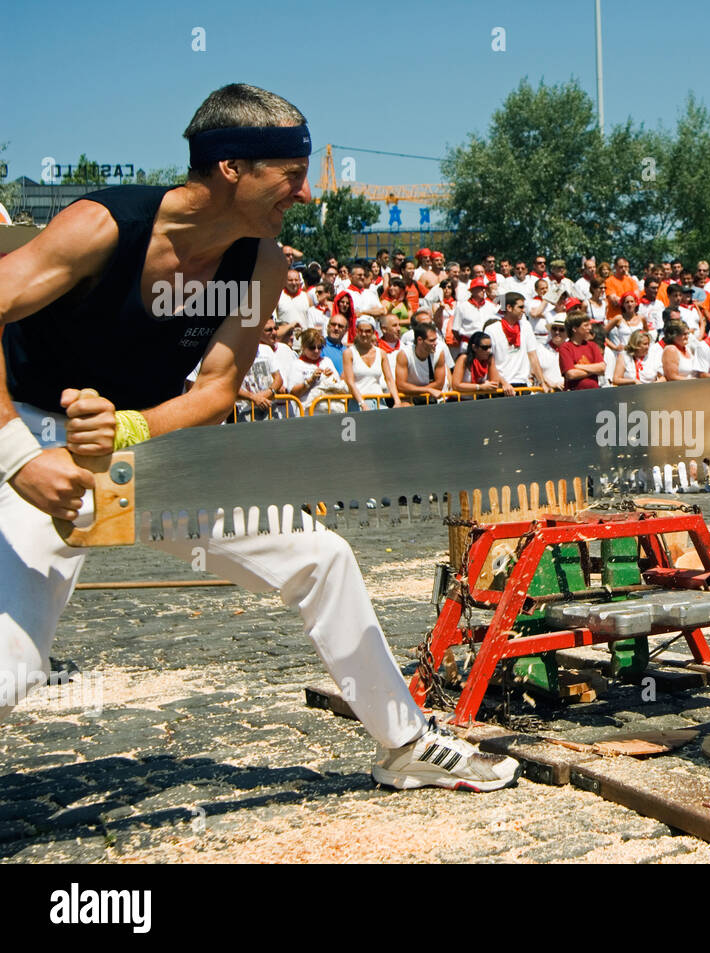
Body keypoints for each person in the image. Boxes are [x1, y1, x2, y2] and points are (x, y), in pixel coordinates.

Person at [0, 83, 517, 792]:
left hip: (141, 449)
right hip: (31, 435)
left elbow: (214, 393)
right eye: (292, 175)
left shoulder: (263, 265)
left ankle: (405, 744)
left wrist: (125, 427)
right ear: (231, 167)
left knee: (321, 555)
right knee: (13, 669)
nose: (304, 193)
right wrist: (20, 457)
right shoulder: (102, 227)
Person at [394, 320, 450, 403]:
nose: (436, 343)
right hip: (411, 399)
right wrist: (428, 390)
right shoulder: (404, 354)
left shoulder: (439, 353)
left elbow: (439, 385)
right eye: (431, 340)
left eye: (435, 339)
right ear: (420, 340)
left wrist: (422, 390)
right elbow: (401, 385)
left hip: (433, 399)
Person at [451, 330, 510, 396]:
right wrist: (480, 387)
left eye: (490, 347)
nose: (488, 351)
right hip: (460, 400)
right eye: (484, 348)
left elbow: (494, 384)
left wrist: (503, 383)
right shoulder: (464, 358)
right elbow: (456, 385)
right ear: (474, 347)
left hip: (477, 400)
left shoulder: (489, 358)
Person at [557, 313, 605, 390]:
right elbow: (571, 374)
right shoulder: (565, 348)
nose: (590, 328)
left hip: (595, 393)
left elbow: (602, 368)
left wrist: (578, 366)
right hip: (575, 395)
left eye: (589, 325)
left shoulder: (592, 345)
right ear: (574, 329)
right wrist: (594, 371)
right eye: (586, 325)